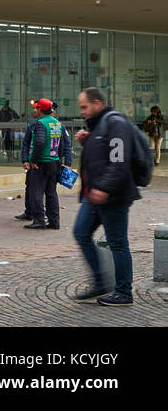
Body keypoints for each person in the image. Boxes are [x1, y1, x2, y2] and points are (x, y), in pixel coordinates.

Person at [72, 87, 140, 305]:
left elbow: (119, 162)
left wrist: (104, 188)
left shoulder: (115, 123)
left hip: (113, 196)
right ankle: (101, 283)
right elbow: (103, 154)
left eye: (84, 107)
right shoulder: (100, 126)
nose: (82, 111)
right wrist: (88, 140)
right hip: (95, 195)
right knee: (81, 232)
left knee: (118, 243)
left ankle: (124, 292)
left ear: (97, 104)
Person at [21, 98, 71, 230]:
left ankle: (39, 220)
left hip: (41, 163)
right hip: (54, 162)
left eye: (36, 108)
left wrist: (34, 161)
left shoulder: (40, 123)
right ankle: (54, 221)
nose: (34, 110)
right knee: (51, 192)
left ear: (41, 110)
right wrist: (58, 159)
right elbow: (62, 145)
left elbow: (39, 143)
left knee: (36, 192)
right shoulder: (57, 124)